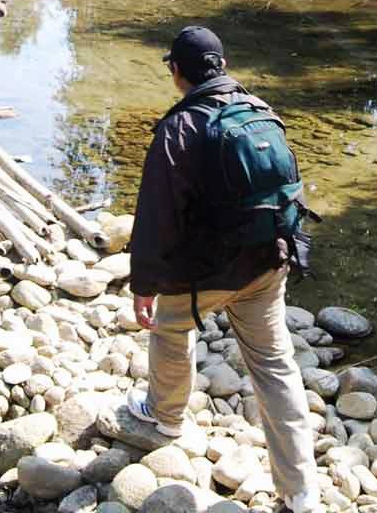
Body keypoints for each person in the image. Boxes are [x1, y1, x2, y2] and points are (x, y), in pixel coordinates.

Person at [125, 26, 323, 513]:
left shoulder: (179, 127)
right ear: (224, 64)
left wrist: (144, 284)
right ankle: (301, 494)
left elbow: (156, 215)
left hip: (204, 274)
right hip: (265, 263)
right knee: (276, 367)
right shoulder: (260, 112)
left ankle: (166, 417)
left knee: (170, 329)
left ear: (177, 71)